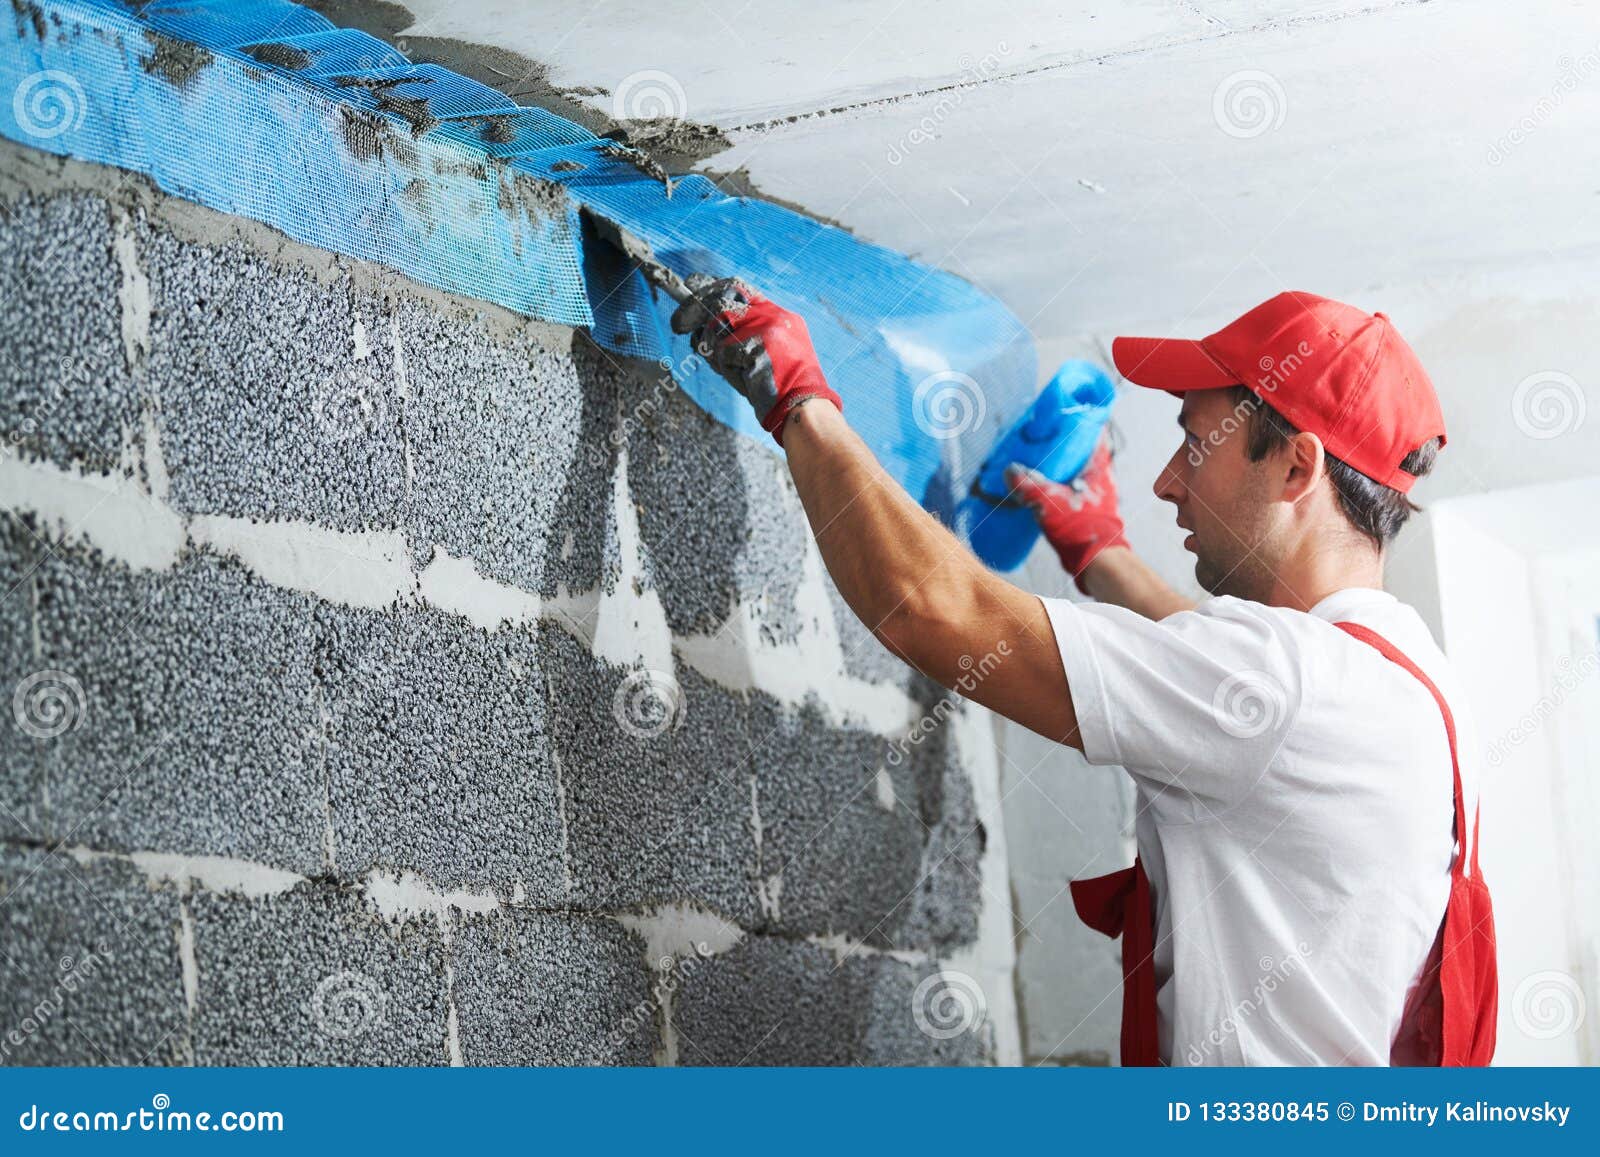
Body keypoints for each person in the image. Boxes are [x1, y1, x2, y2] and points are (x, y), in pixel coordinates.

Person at [671, 280, 1496, 1066]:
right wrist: (1101, 550)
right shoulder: (1406, 678)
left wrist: (798, 402)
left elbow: (932, 612)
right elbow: (1230, 694)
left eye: (1194, 439)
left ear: (1295, 467)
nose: (1169, 481)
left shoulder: (1288, 683)